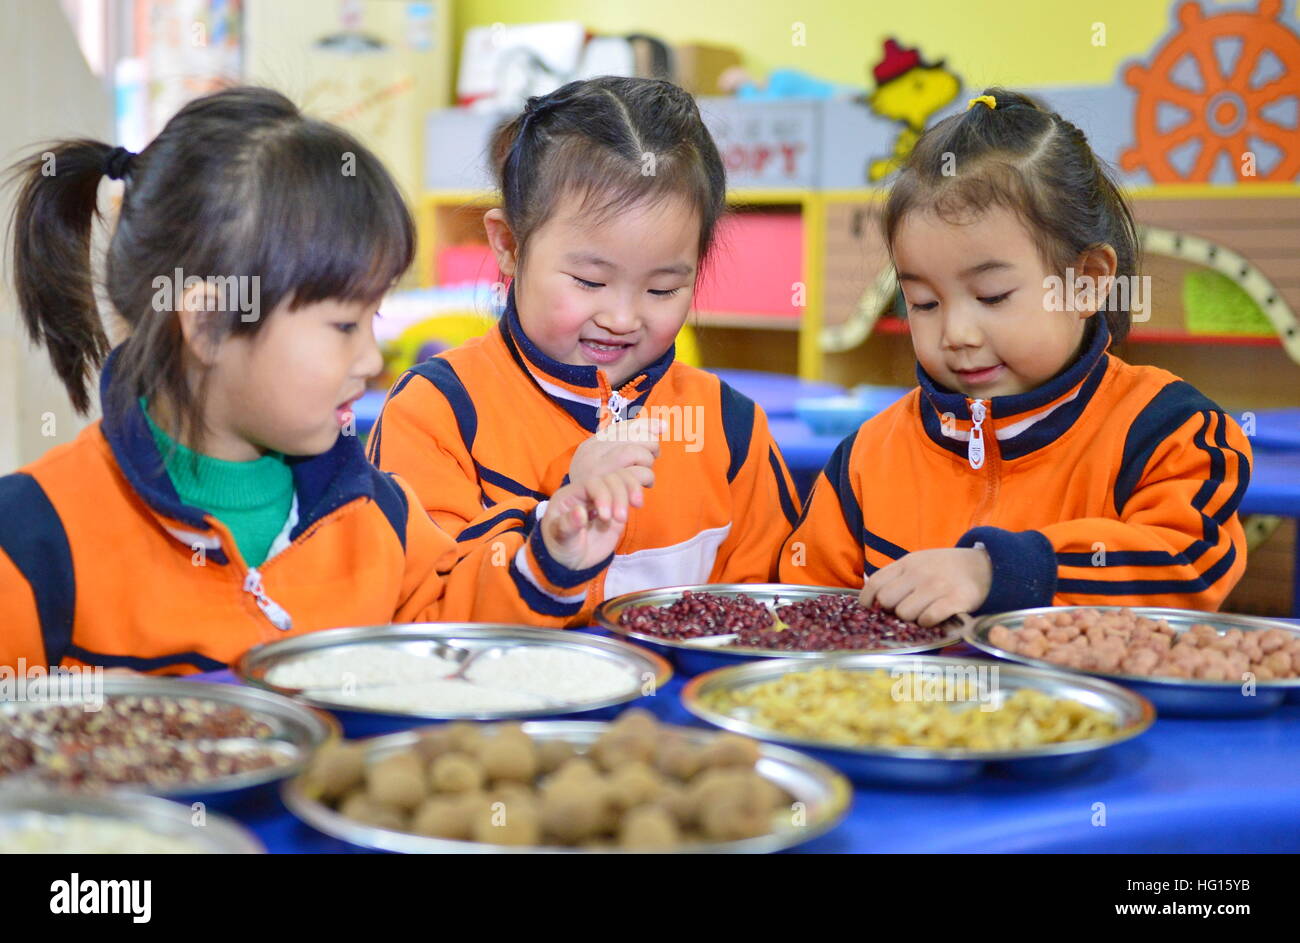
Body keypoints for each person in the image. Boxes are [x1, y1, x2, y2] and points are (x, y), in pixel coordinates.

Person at [0, 87, 643, 673]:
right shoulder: (34, 539)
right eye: (343, 326)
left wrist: (548, 559)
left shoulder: (374, 510)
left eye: (376, 318)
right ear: (207, 325)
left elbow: (454, 640)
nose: (371, 360)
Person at [780, 89, 1251, 625]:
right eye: (924, 303)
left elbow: (1188, 563)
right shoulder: (866, 459)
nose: (956, 333)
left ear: (1088, 282)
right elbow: (809, 618)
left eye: (993, 296)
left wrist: (998, 573)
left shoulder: (1172, 431)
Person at [370, 77, 800, 623]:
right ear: (508, 244)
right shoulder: (437, 411)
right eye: (589, 281)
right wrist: (547, 551)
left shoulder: (729, 426)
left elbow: (774, 613)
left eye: (662, 289)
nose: (621, 318)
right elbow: (416, 619)